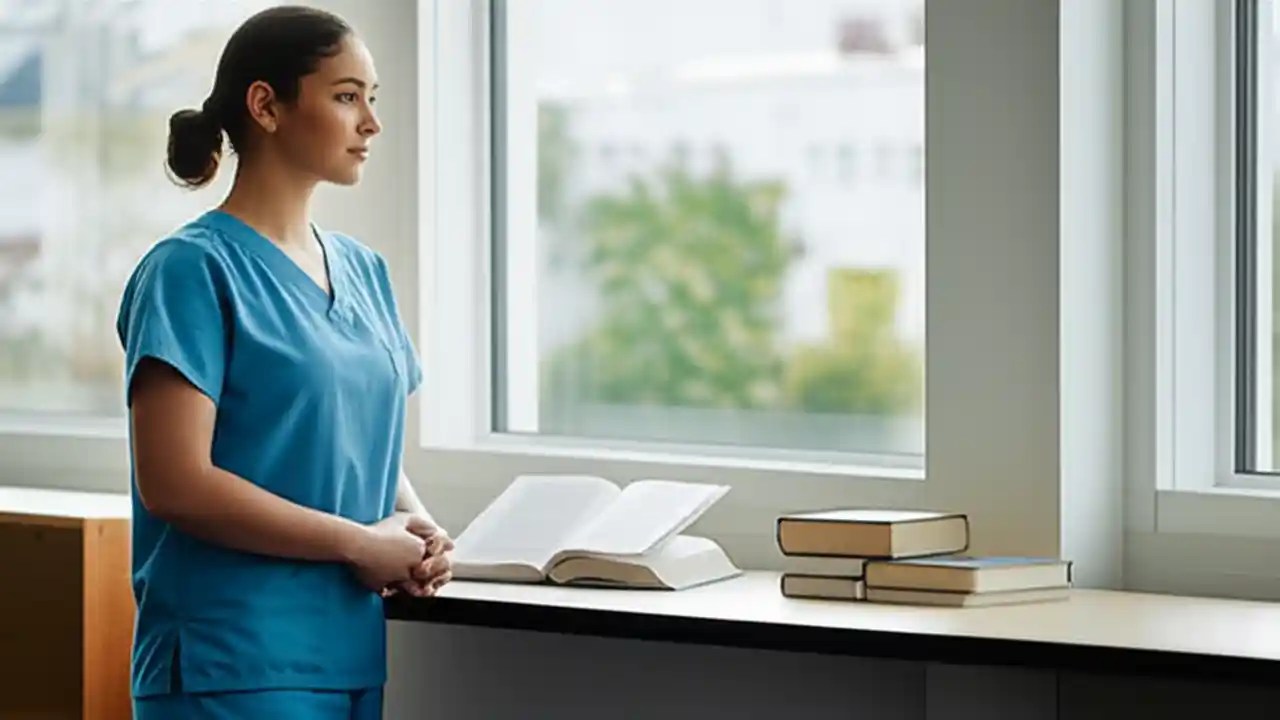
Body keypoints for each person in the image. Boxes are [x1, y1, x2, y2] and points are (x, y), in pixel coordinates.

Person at [114, 6, 451, 718]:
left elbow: (352, 437)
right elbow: (175, 483)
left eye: (372, 98)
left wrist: (416, 526)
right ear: (266, 105)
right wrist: (358, 543)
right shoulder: (190, 271)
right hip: (230, 660)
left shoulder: (365, 271)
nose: (371, 123)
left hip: (348, 653)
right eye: (346, 96)